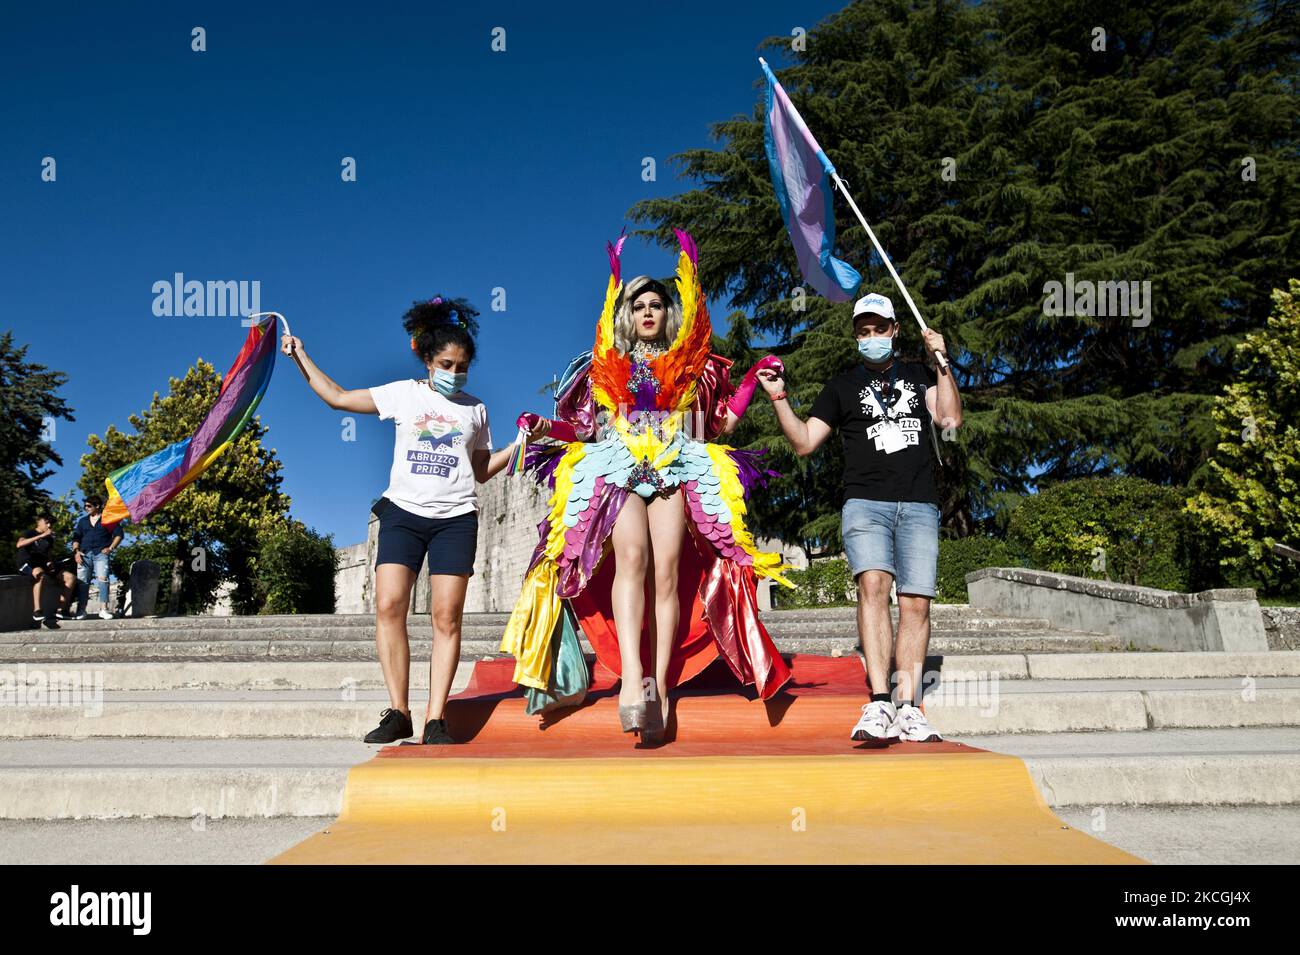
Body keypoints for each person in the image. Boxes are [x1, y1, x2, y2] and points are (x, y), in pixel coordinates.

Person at [505, 229, 791, 745]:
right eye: (639, 304)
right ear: (627, 313)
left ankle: (661, 685)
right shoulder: (601, 368)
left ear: (668, 312)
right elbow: (585, 430)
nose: (649, 311)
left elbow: (720, 425)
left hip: (673, 467)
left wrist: (750, 382)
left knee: (666, 571)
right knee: (631, 559)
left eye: (657, 303)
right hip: (617, 467)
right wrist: (547, 429)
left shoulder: (692, 370)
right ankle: (631, 682)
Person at [282, 297, 546, 746]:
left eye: (462, 366)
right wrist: (300, 355)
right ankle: (399, 712)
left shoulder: (476, 410)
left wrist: (522, 442)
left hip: (456, 519)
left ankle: (435, 718)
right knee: (388, 607)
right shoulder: (404, 393)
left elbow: (481, 471)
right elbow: (338, 398)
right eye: (446, 363)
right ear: (427, 360)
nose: (454, 373)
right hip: (403, 514)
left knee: (447, 617)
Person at [759, 292, 961, 743]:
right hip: (865, 502)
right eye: (863, 331)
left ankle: (909, 707)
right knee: (873, 586)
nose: (871, 337)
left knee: (915, 603)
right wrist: (778, 398)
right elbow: (806, 441)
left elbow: (949, 419)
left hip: (919, 503)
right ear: (856, 336)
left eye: (878, 329)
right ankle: (879, 702)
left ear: (895, 331)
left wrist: (942, 361)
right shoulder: (841, 386)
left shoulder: (919, 374)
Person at [16, 514, 77, 628]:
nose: (49, 526)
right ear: (39, 522)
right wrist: (41, 536)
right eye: (47, 523)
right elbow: (19, 544)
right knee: (40, 574)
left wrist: (50, 564)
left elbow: (48, 555)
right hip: (27, 563)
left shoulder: (49, 538)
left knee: (70, 577)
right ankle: (37, 610)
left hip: (43, 564)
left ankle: (60, 610)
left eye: (51, 524)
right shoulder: (29, 532)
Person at [72, 496, 124, 620]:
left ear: (98, 506)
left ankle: (104, 609)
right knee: (82, 582)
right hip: (84, 554)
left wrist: (110, 548)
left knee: (103, 579)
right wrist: (76, 552)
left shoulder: (108, 519)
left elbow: (119, 535)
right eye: (85, 506)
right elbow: (76, 537)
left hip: (101, 554)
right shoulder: (82, 521)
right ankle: (81, 610)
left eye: (89, 506)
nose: (86, 508)